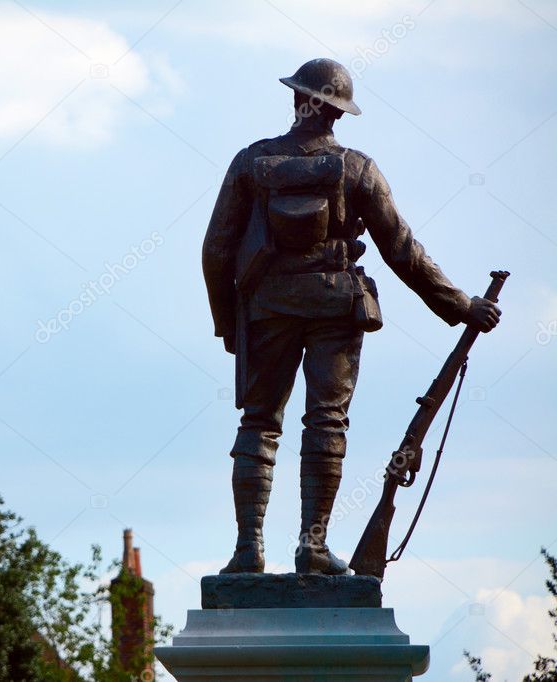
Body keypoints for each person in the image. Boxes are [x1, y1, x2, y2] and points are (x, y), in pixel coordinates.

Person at [203, 58, 501, 575]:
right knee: (326, 421)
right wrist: (461, 306)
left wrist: (229, 322)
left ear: (297, 101)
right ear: (337, 114)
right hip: (335, 305)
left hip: (267, 308)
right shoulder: (358, 169)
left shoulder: (250, 163)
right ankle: (312, 546)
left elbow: (215, 251)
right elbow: (402, 250)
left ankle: (248, 549)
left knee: (258, 423)